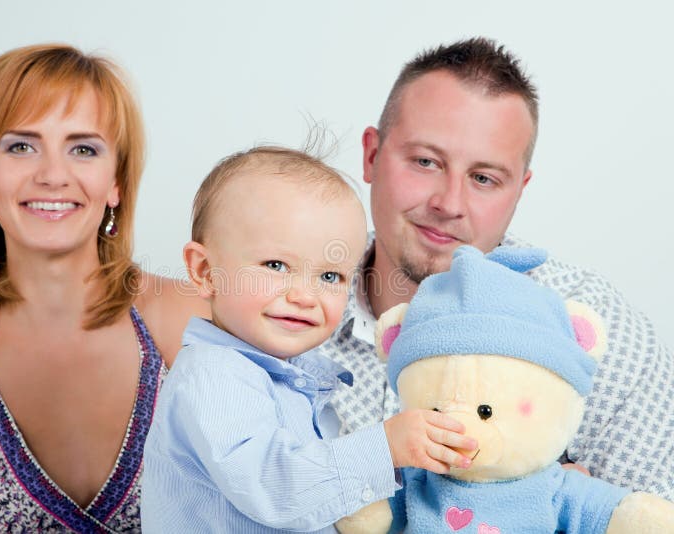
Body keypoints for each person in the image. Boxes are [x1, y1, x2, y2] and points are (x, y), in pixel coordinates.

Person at [320, 37, 674, 499]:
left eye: (484, 178)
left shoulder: (593, 327)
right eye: (426, 161)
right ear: (371, 156)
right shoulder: (276, 301)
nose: (449, 204)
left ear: (519, 190)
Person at [0, 44, 207, 532]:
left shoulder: (190, 318)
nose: (53, 175)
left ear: (116, 180)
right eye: (21, 146)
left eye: (83, 149)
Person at [140, 146, 478, 532]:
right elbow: (274, 487)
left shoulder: (287, 376)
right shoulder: (214, 375)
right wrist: (383, 447)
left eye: (330, 277)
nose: (304, 295)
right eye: (276, 265)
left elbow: (316, 500)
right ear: (204, 271)